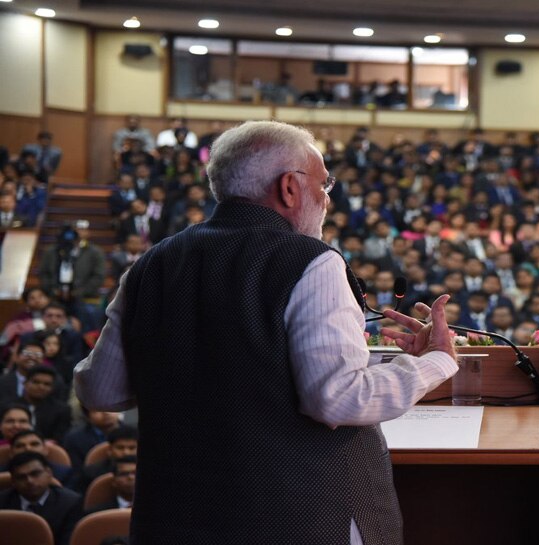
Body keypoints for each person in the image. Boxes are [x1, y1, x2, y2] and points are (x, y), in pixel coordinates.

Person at [74, 120, 459, 545]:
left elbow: (100, 390)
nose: (326, 200)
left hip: (173, 519)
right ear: (290, 187)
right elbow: (339, 398)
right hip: (297, 518)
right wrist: (434, 362)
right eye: (323, 185)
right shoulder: (312, 263)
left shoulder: (153, 263)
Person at [0, 451, 84, 545]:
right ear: (13, 481)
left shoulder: (70, 502)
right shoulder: (2, 502)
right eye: (21, 477)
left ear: (49, 473)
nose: (29, 481)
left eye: (35, 474)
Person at [70, 425, 137, 494]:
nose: (126, 452)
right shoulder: (91, 474)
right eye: (120, 448)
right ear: (109, 450)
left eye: (132, 448)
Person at [7, 429, 73, 483]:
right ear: (11, 453)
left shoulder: (66, 473)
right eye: (20, 446)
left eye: (34, 444)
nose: (28, 448)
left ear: (46, 450)